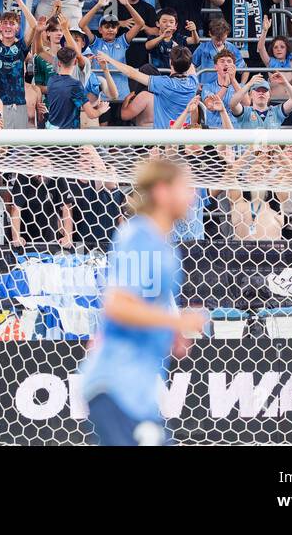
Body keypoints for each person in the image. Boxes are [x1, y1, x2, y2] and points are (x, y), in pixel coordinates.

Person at [77, 158, 207, 445]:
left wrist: (171, 334)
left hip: (138, 390)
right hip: (116, 385)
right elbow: (118, 306)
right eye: (184, 186)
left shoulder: (165, 246)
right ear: (162, 191)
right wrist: (177, 321)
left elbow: (142, 305)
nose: (193, 194)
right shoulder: (138, 235)